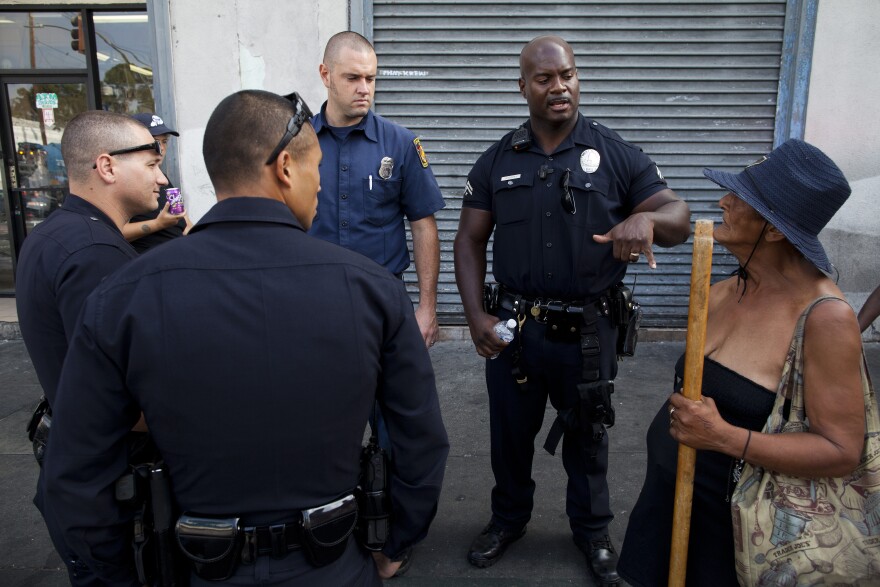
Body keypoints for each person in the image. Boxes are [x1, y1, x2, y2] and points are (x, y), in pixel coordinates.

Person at [40, 89, 450, 586]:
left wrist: (120, 576)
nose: (320, 185)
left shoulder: (125, 296)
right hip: (335, 563)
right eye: (316, 166)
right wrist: (388, 540)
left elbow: (77, 471)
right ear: (284, 168)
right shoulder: (371, 289)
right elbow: (421, 442)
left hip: (197, 567)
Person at [453, 35, 690, 585]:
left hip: (588, 330)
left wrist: (649, 221)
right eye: (545, 79)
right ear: (523, 88)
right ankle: (507, 520)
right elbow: (468, 240)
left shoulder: (614, 153)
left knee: (588, 434)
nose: (560, 87)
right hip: (514, 331)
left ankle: (592, 533)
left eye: (568, 75)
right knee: (509, 434)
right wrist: (474, 318)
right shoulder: (496, 160)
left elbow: (677, 212)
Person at [618, 139, 864, 586]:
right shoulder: (725, 290)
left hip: (740, 533)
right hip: (669, 506)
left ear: (772, 230)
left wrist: (726, 437)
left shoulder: (824, 318)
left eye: (741, 197)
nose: (722, 201)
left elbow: (841, 450)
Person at [15, 109, 167, 585]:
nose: (162, 178)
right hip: (106, 490)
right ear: (106, 166)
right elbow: (119, 391)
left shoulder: (55, 235)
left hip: (80, 474)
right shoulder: (95, 254)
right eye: (150, 163)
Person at [310, 31, 445, 348]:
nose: (364, 89)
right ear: (325, 75)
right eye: (353, 77)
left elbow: (423, 225)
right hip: (312, 300)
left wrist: (427, 308)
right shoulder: (298, 144)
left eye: (370, 78)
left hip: (383, 302)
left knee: (386, 395)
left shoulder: (400, 143)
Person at [122, 112, 192, 252]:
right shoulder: (126, 181)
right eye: (154, 141)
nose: (161, 148)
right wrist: (158, 224)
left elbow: (186, 223)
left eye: (164, 141)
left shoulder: (164, 179)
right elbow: (115, 233)